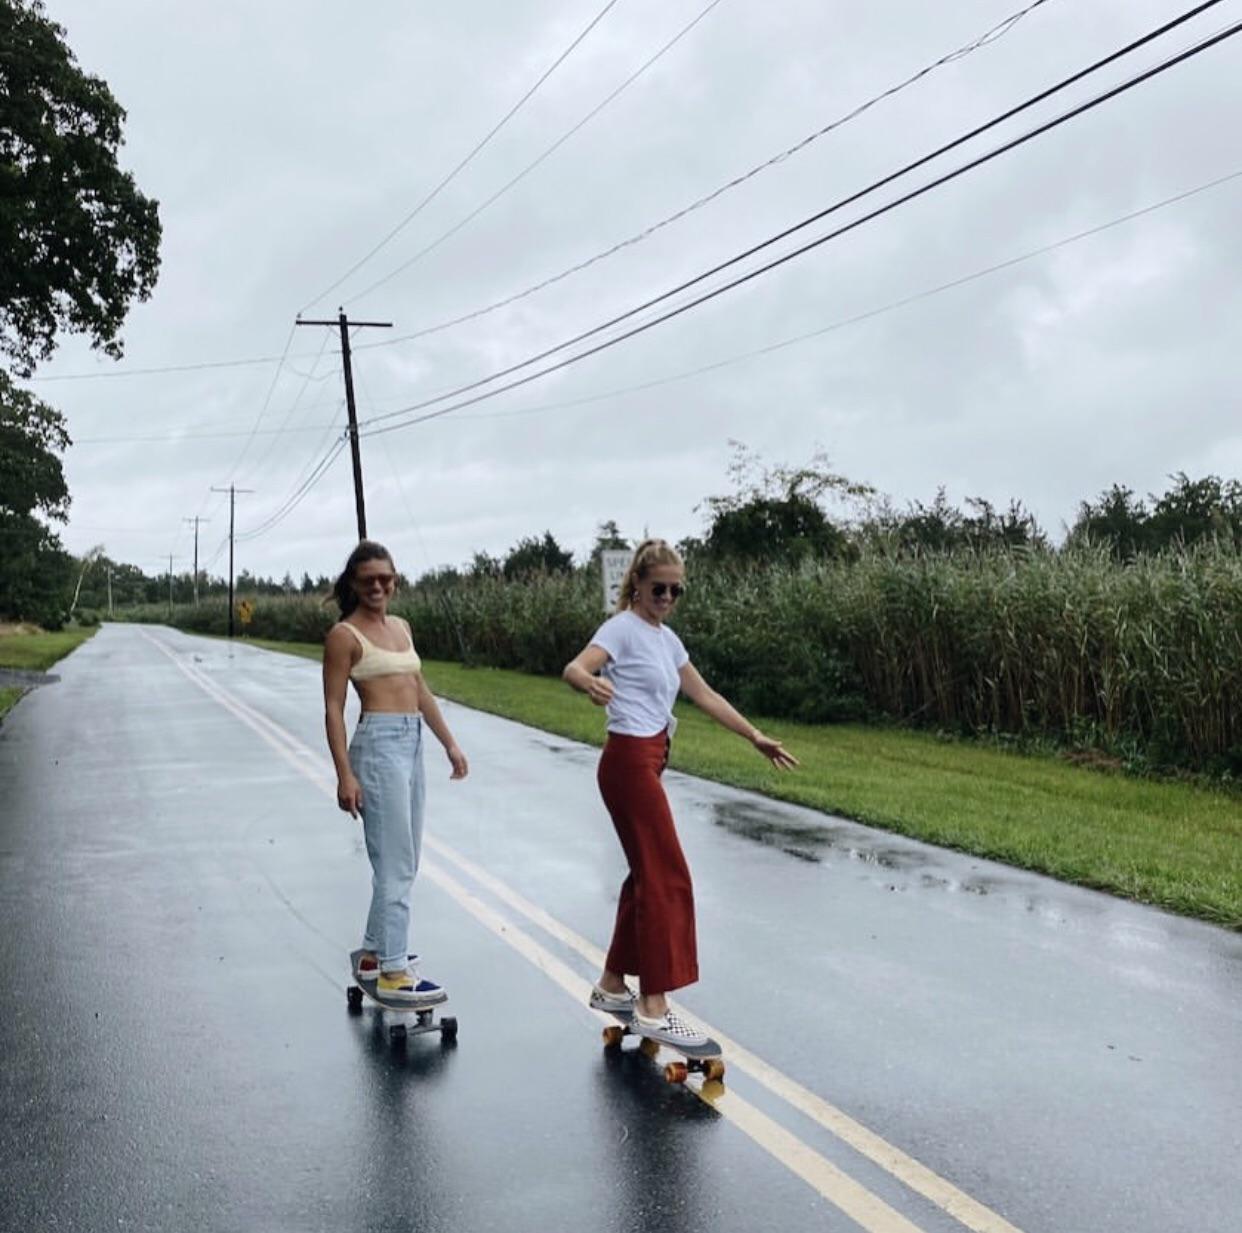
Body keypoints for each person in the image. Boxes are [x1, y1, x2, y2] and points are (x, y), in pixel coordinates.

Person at [562, 538, 797, 1046]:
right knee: (668, 875)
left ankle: (610, 985)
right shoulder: (622, 627)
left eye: (676, 590)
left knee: (647, 875)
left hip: (650, 759)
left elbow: (703, 693)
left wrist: (754, 735)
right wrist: (587, 681)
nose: (667, 597)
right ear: (638, 585)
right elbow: (576, 666)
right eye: (659, 588)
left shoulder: (666, 640)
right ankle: (654, 1003)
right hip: (628, 760)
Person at [323, 540, 468, 1004]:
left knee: (404, 859)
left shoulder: (402, 627)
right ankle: (392, 969)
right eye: (368, 580)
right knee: (395, 862)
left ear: (395, 579)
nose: (378, 587)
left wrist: (449, 742)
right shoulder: (344, 636)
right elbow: (333, 708)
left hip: (412, 743)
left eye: (385, 578)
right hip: (378, 744)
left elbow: (419, 689)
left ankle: (372, 955)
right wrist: (344, 774)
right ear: (353, 584)